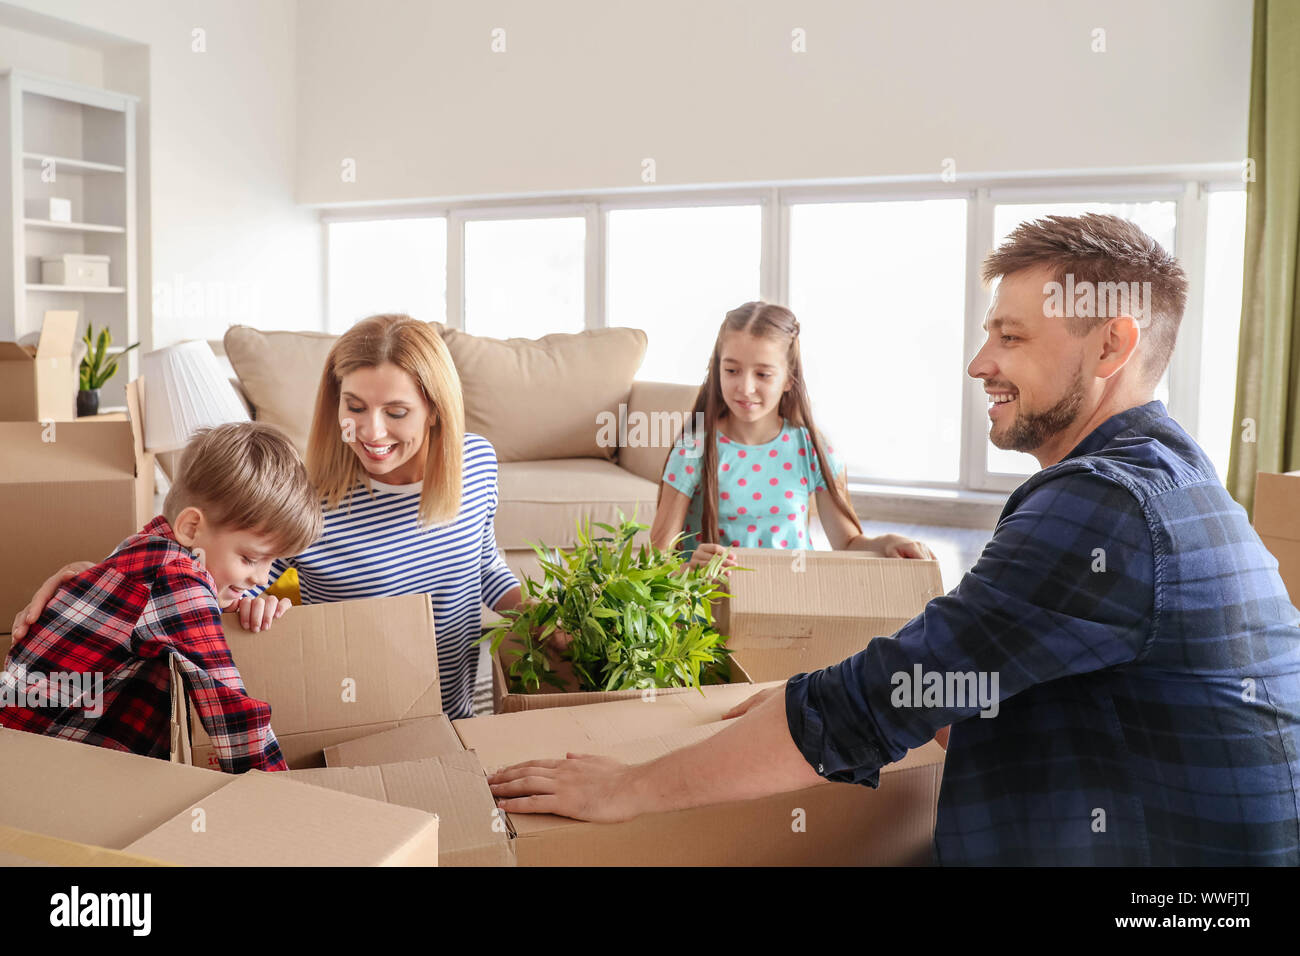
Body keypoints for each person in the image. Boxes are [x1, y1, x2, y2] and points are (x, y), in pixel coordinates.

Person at [487, 214, 1300, 866]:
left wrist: (630, 789)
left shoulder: (1104, 506)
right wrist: (820, 695)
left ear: (1112, 344)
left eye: (1011, 337)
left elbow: (886, 697)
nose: (980, 361)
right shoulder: (1171, 473)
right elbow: (982, 682)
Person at [14, 315, 524, 721]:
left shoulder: (476, 461)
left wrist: (537, 612)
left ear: (435, 410)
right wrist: (93, 583)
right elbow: (220, 582)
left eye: (396, 412)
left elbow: (482, 562)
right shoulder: (312, 499)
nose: (371, 432)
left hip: (458, 711)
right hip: (361, 716)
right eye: (355, 407)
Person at [0, 422, 322, 773]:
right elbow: (232, 714)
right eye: (249, 558)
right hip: (38, 766)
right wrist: (287, 800)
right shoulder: (178, 578)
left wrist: (225, 606)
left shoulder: (144, 547)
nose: (261, 578)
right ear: (191, 528)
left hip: (31, 743)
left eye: (272, 563)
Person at [650, 301, 934, 571]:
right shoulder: (694, 449)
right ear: (717, 370)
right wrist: (690, 569)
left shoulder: (811, 448)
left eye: (763, 374)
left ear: (788, 378)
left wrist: (885, 543)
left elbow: (846, 542)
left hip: (792, 606)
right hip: (713, 612)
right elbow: (655, 561)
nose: (745, 387)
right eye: (732, 370)